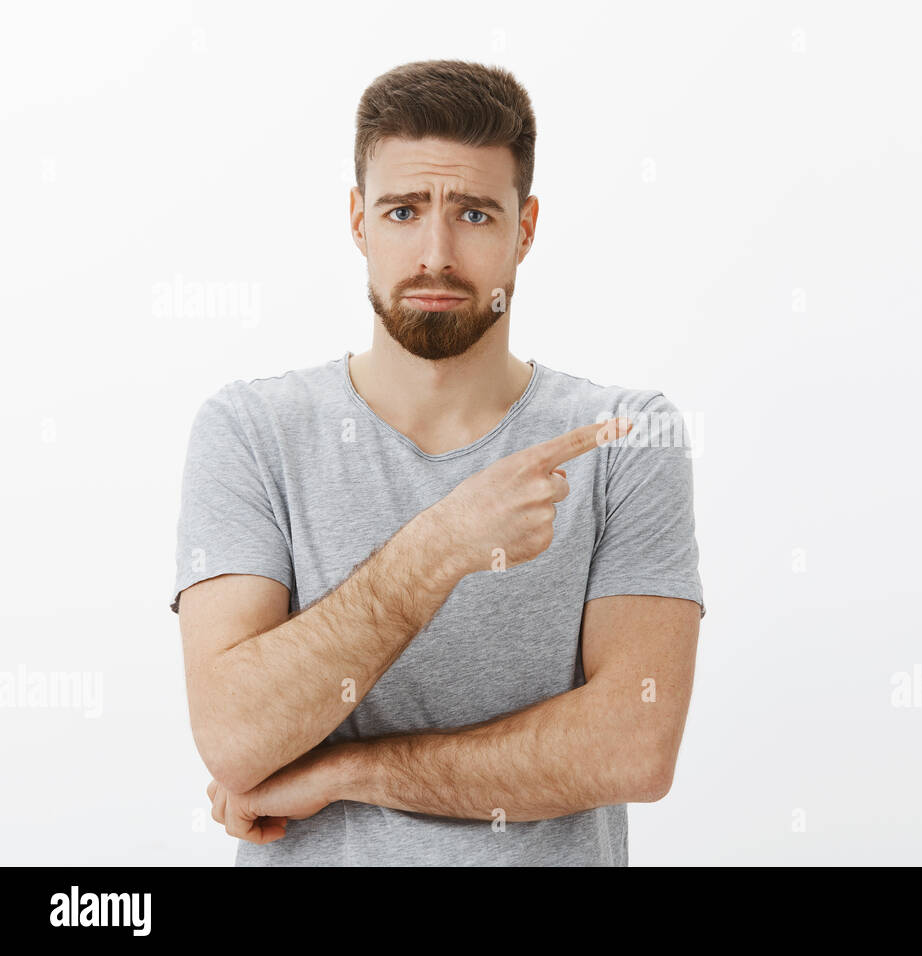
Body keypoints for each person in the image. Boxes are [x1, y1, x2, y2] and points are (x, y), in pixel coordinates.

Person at [170, 59, 705, 866]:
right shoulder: (250, 431)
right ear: (358, 221)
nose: (435, 253)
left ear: (525, 229)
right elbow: (236, 740)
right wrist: (445, 544)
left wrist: (349, 771)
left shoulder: (622, 437)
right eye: (403, 209)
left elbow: (634, 747)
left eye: (475, 215)